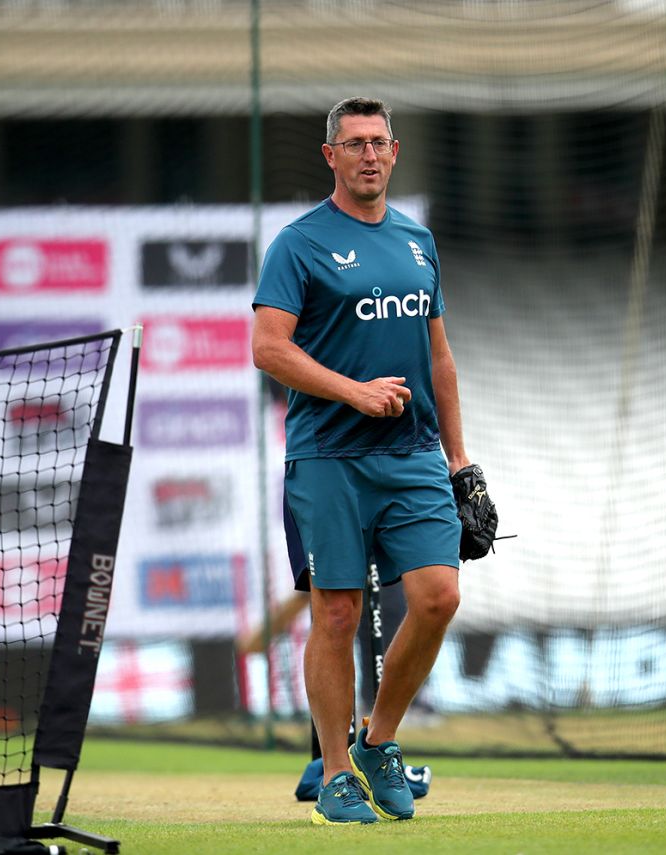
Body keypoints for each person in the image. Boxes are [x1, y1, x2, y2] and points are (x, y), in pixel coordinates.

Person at [251, 97, 470, 825]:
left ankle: (378, 743)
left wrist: (461, 460)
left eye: (379, 142)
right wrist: (354, 391)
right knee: (337, 611)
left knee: (439, 594)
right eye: (354, 144)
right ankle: (338, 773)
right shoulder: (299, 243)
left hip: (412, 452)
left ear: (395, 151)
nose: (369, 155)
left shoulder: (417, 241)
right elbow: (269, 347)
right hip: (329, 455)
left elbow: (439, 356)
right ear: (331, 156)